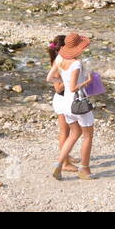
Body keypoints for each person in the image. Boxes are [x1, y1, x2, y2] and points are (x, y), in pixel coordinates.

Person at [48, 32, 94, 180]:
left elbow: (49, 78)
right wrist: (87, 81)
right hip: (78, 102)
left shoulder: (60, 59)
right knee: (87, 136)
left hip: (66, 104)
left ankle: (59, 165)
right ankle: (84, 169)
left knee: (74, 134)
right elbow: (74, 87)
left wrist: (63, 79)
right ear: (78, 48)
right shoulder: (76, 63)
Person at [47, 35, 78, 175]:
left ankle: (65, 155)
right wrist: (71, 80)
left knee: (68, 131)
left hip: (62, 99)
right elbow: (58, 88)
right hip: (61, 99)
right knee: (65, 131)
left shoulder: (59, 60)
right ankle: (65, 163)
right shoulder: (59, 63)